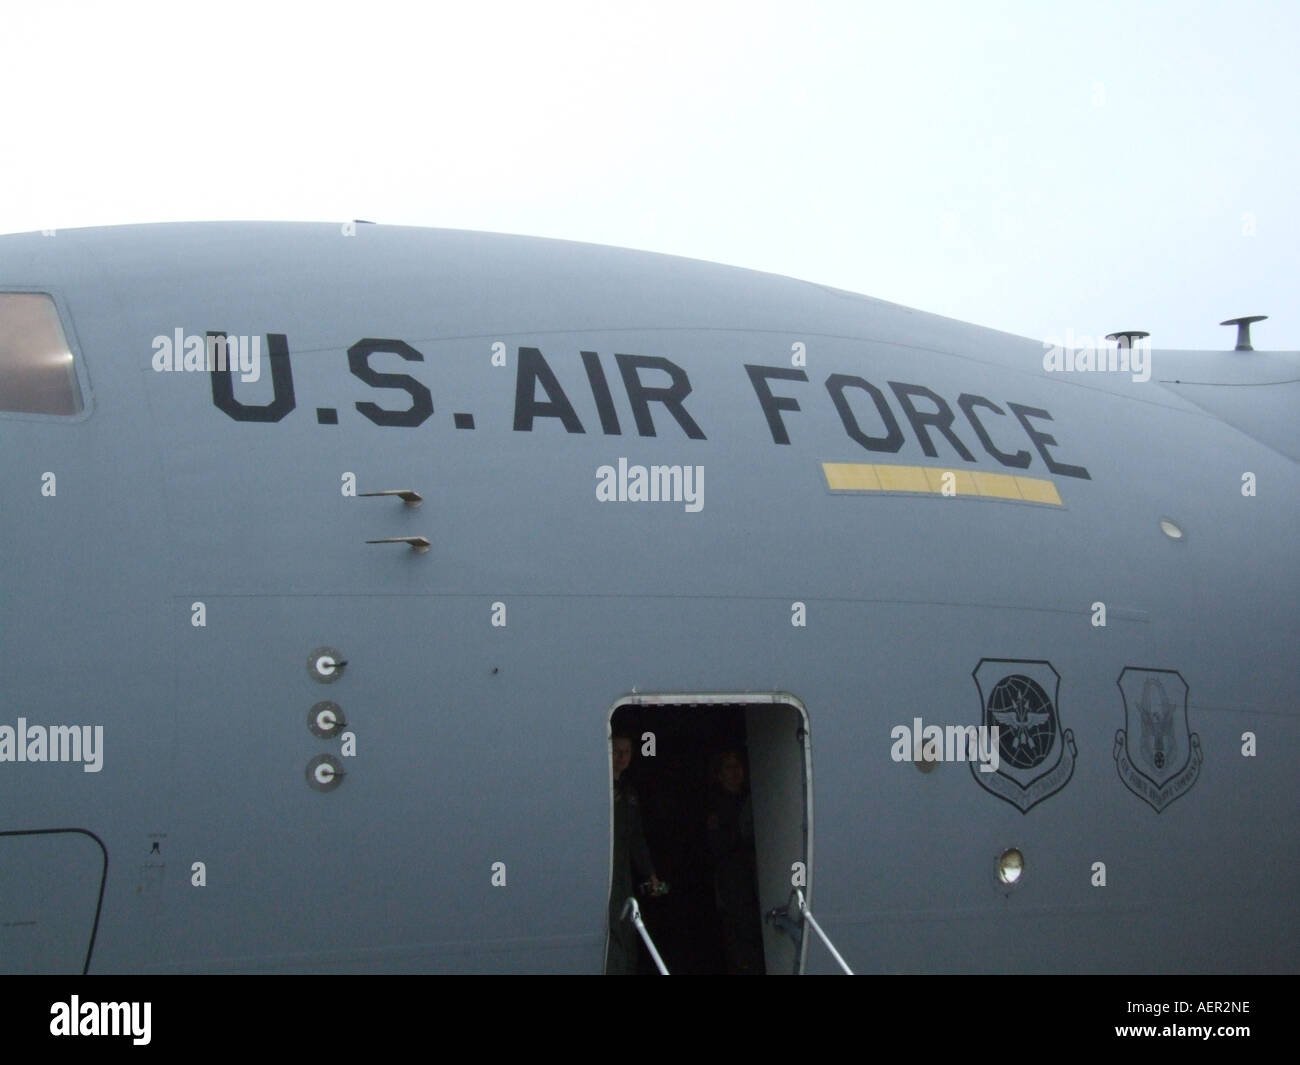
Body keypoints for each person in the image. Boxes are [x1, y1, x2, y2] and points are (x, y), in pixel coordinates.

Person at [606, 733, 661, 974]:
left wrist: (649, 872)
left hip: (623, 873)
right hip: (605, 871)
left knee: (628, 927)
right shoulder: (601, 790)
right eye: (616, 751)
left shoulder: (629, 793)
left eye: (626, 752)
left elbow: (636, 838)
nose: (621, 757)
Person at [706, 749, 764, 974]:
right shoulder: (716, 806)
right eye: (728, 767)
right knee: (740, 939)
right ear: (719, 775)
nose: (735, 772)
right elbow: (719, 846)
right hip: (733, 881)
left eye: (738, 766)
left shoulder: (754, 799)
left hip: (757, 877)